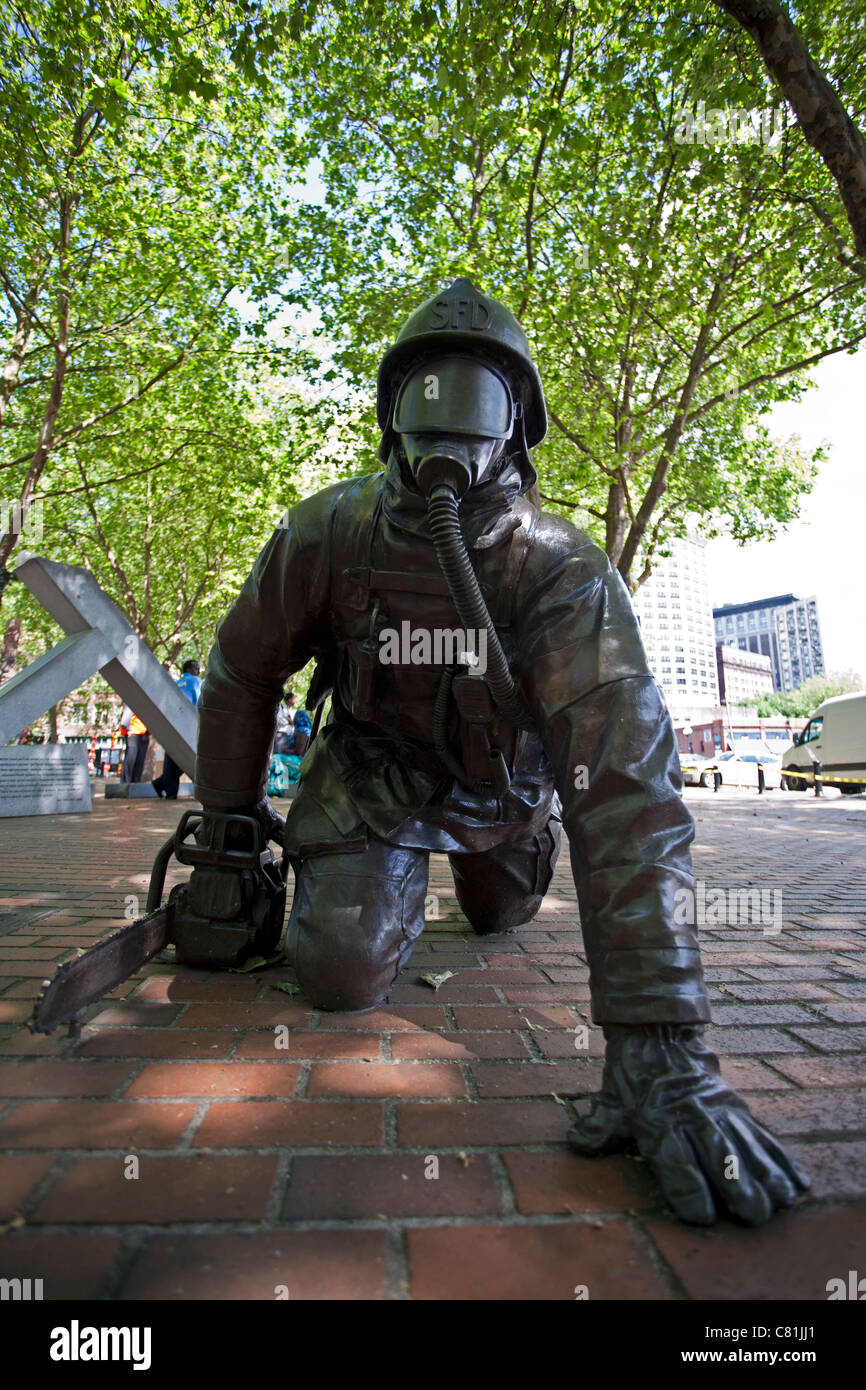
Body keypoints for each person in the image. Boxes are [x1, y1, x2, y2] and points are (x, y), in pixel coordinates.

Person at [193, 277, 809, 1226]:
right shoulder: (327, 530)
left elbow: (629, 788)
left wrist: (662, 1043)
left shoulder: (559, 566)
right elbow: (239, 674)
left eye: (476, 399)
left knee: (501, 917)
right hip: (371, 782)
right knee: (337, 978)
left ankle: (517, 855)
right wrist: (231, 833)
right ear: (390, 413)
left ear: (516, 425)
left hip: (503, 792)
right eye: (424, 394)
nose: (446, 424)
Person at [152, 659, 201, 799]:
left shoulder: (175, 683)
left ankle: (165, 785)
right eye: (197, 667)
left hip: (173, 722)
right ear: (191, 668)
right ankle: (165, 785)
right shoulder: (196, 682)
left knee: (174, 754)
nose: (199, 670)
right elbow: (199, 701)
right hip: (189, 722)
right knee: (191, 755)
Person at [119, 707, 149, 782]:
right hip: (133, 733)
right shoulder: (135, 702)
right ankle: (126, 781)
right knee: (131, 758)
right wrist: (126, 729)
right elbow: (127, 714)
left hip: (144, 733)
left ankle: (136, 781)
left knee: (140, 759)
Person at [273, 690, 296, 755]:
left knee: (283, 756)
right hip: (281, 735)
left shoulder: (292, 711)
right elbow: (278, 720)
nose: (295, 701)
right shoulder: (280, 707)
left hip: (289, 736)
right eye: (294, 698)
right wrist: (288, 721)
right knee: (277, 754)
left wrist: (290, 721)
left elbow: (294, 723)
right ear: (289, 699)